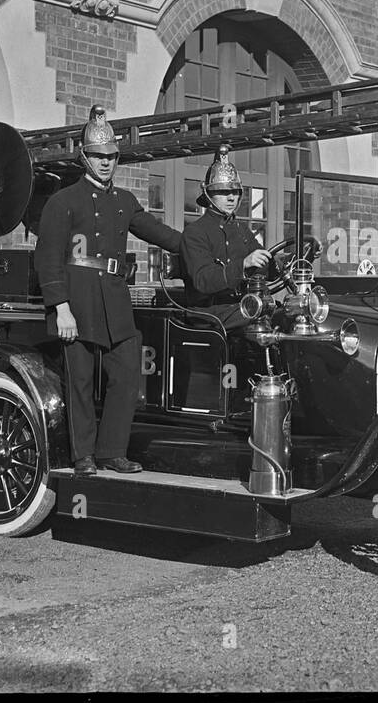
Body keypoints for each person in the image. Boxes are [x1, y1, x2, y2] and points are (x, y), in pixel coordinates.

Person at [34, 105, 183, 477]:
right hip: (77, 299)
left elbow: (161, 234)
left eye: (112, 156)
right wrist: (60, 308)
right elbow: (48, 258)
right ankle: (83, 454)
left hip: (115, 299)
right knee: (80, 383)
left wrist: (201, 248)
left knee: (128, 376)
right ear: (84, 156)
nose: (106, 163)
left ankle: (111, 452)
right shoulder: (63, 201)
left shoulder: (124, 201)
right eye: (98, 156)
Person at [181, 145, 270, 305]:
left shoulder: (241, 230)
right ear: (208, 195)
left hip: (242, 306)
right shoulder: (195, 232)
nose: (231, 198)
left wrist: (284, 260)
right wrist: (243, 265)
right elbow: (203, 280)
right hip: (210, 312)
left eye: (235, 192)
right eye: (222, 192)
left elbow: (263, 264)